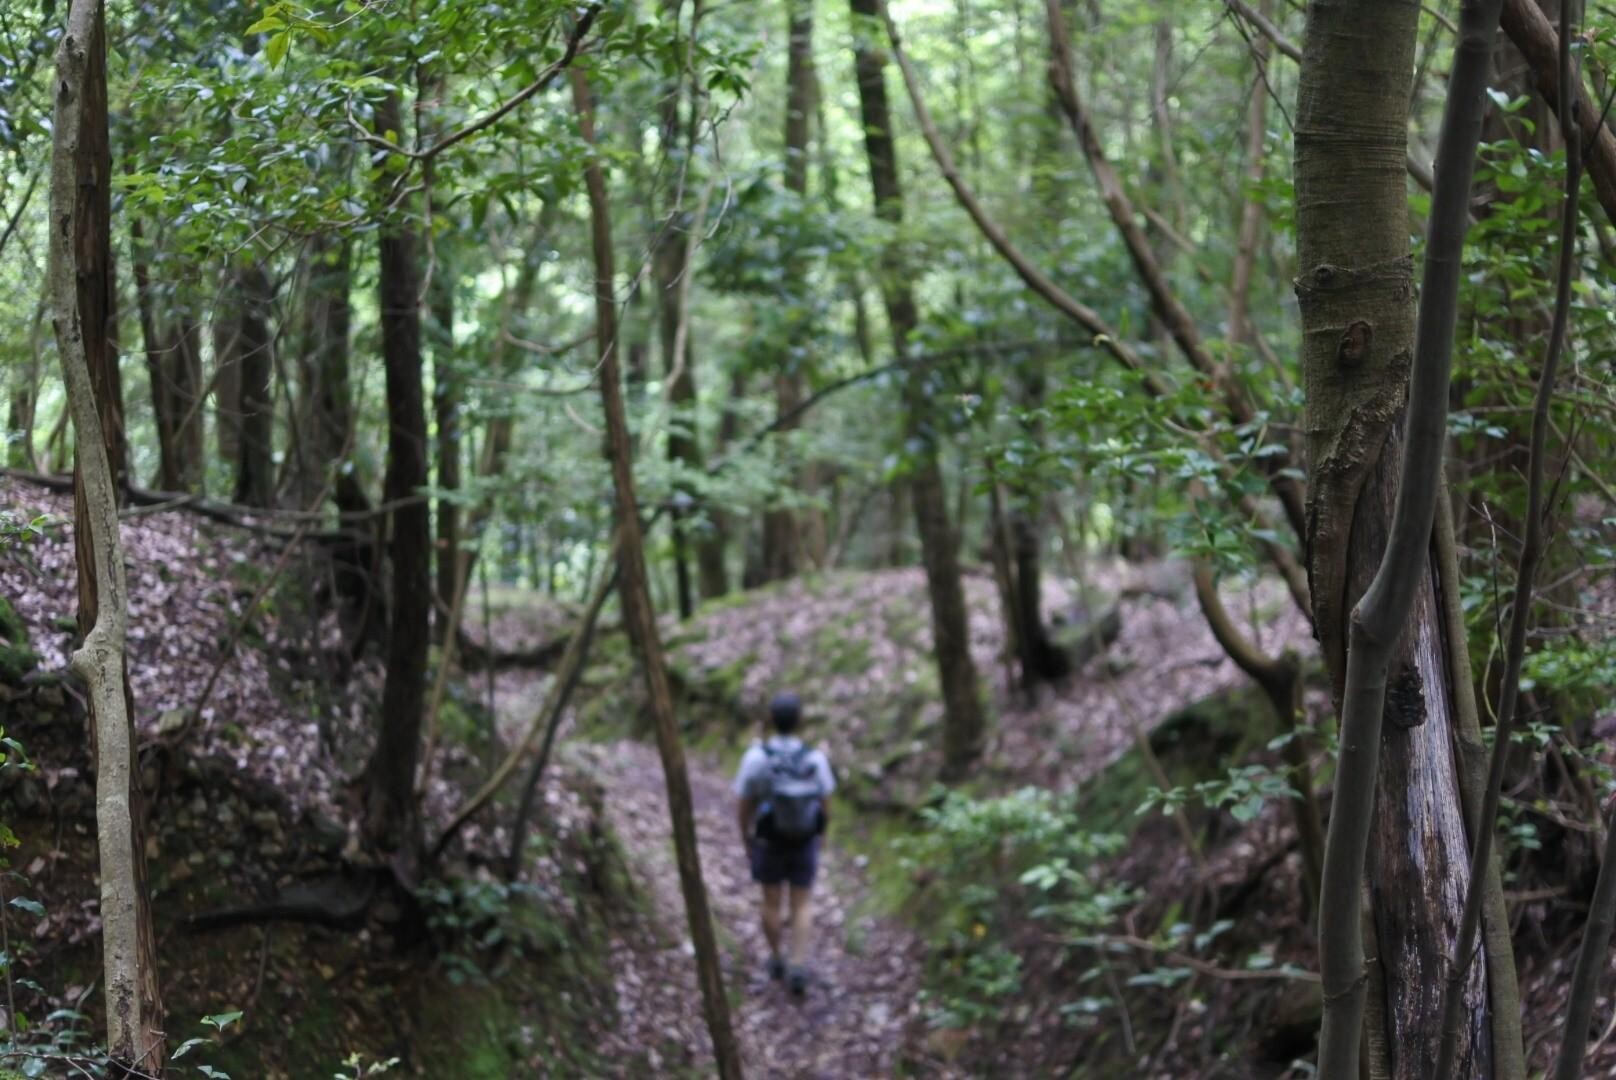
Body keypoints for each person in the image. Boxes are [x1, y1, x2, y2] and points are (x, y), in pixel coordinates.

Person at [733, 691, 835, 996]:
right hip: (804, 838)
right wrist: (822, 834)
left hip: (769, 839)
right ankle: (798, 964)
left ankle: (776, 957)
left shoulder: (756, 758)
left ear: (771, 720)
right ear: (800, 720)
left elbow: (744, 801)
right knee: (802, 901)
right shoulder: (814, 758)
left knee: (771, 899)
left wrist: (745, 836)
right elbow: (825, 800)